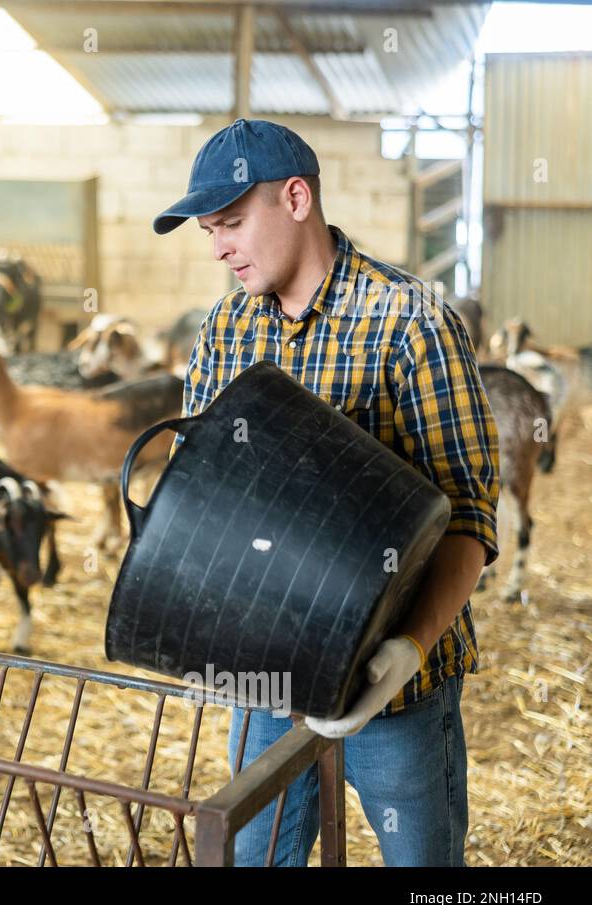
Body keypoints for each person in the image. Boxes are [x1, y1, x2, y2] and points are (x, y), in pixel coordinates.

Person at [154, 118, 501, 866]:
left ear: (297, 197)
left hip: (395, 690)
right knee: (256, 859)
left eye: (232, 224)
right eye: (209, 231)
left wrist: (405, 651)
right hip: (265, 677)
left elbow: (469, 515)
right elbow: (206, 502)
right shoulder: (223, 332)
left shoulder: (411, 324)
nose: (218, 248)